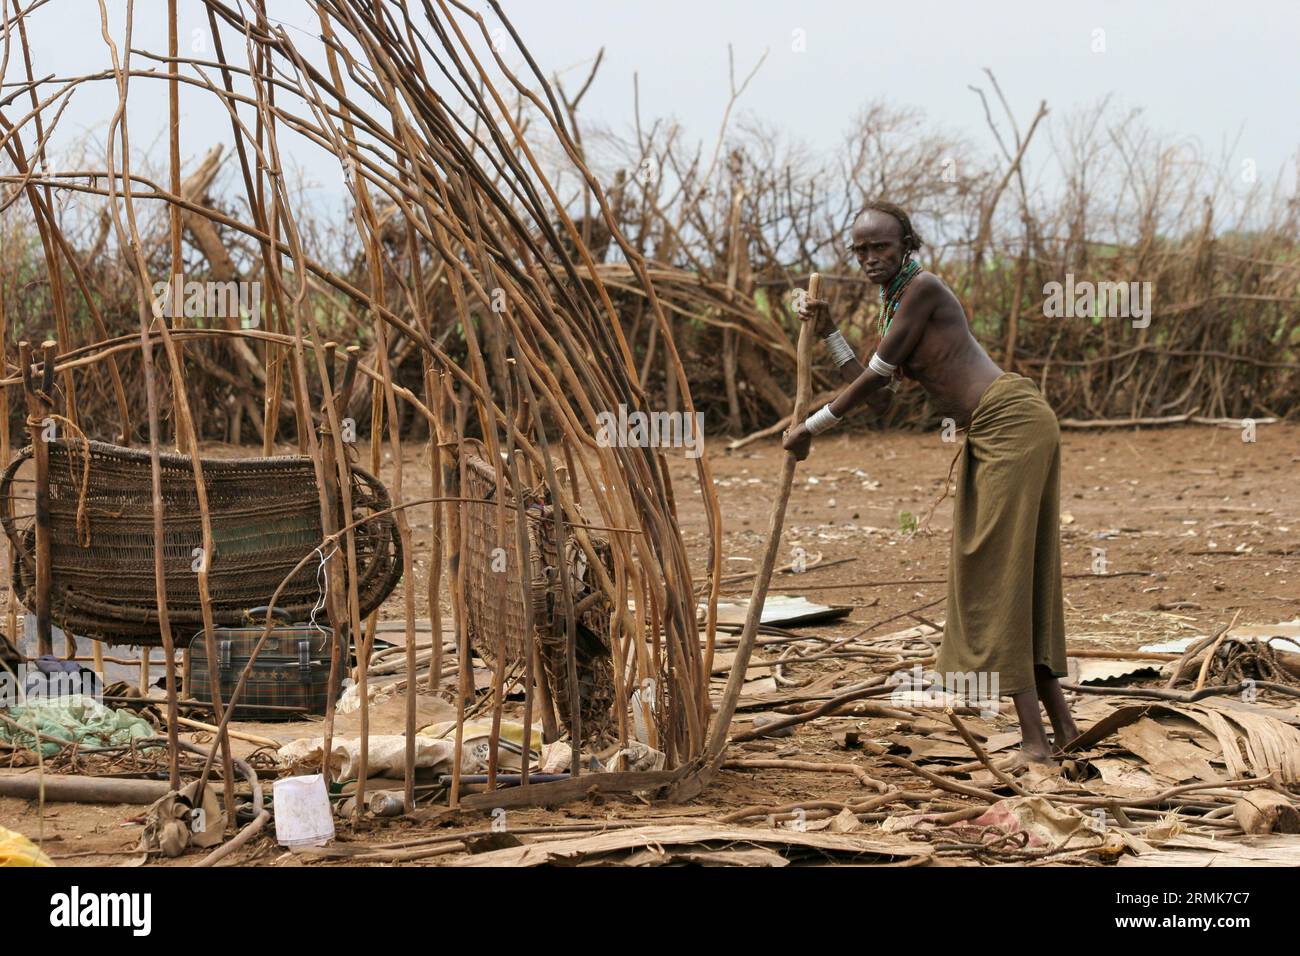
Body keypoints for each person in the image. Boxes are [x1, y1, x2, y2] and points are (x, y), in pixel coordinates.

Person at [783, 201, 1080, 766]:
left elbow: (872, 380)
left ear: (907, 245)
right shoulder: (896, 301)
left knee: (996, 572)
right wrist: (830, 335)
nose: (871, 258)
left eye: (882, 248)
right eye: (862, 250)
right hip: (996, 429)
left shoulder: (921, 290)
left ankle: (1036, 746)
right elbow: (883, 384)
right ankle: (1062, 731)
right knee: (1014, 570)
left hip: (1011, 422)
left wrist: (811, 427)